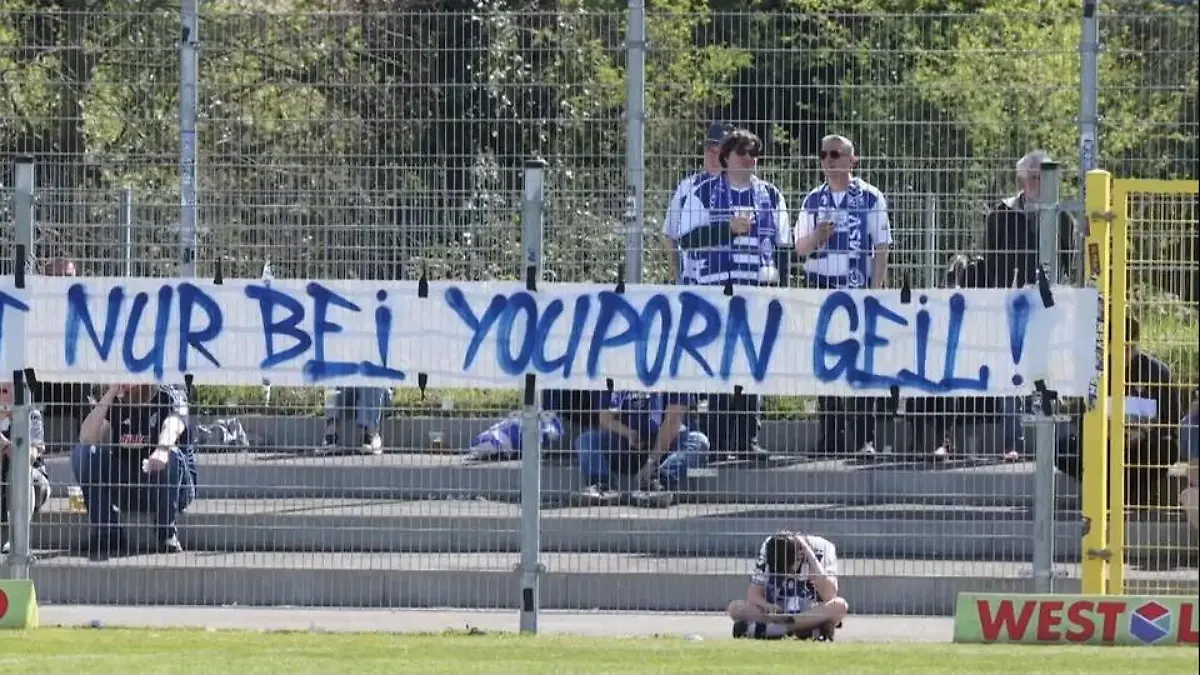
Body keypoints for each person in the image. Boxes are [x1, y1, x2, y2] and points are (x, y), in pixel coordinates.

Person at [668, 128, 790, 461]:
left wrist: (782, 293)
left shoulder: (770, 195)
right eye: (742, 153)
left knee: (752, 367)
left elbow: (783, 248)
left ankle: (747, 440)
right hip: (714, 295)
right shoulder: (703, 192)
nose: (749, 159)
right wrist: (727, 229)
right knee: (721, 368)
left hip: (756, 295)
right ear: (726, 158)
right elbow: (687, 241)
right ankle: (719, 441)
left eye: (754, 154)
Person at [794, 134, 892, 456]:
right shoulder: (812, 200)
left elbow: (881, 246)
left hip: (857, 289)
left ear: (853, 160)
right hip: (820, 290)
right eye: (823, 154)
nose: (828, 160)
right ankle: (831, 438)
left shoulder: (870, 197)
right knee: (827, 363)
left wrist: (875, 290)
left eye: (835, 154)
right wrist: (817, 236)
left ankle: (865, 438)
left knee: (862, 363)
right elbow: (799, 249)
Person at [1056, 316, 1183, 510]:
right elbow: (1081, 416)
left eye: (1128, 348)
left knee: (1166, 447)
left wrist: (1141, 432)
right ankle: (1106, 492)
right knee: (1063, 448)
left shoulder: (1158, 372)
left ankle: (1132, 493)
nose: (1123, 353)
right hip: (1104, 442)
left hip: (1143, 444)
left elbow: (1172, 421)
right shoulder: (1094, 372)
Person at [70, 384, 198, 560]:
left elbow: (174, 424)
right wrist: (111, 393)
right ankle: (108, 533)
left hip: (172, 487)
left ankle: (166, 532)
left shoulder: (169, 393)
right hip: (129, 484)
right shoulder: (117, 399)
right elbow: (86, 438)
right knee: (84, 453)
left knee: (172, 453)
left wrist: (162, 448)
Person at [572, 390, 710, 508]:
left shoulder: (672, 371)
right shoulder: (614, 369)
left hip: (664, 449)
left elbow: (673, 419)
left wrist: (652, 460)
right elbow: (604, 419)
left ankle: (657, 485)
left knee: (699, 441)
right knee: (586, 440)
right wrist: (629, 434)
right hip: (624, 446)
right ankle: (602, 486)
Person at [727, 530, 849, 641]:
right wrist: (768, 606)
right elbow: (754, 594)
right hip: (778, 611)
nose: (785, 576)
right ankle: (808, 630)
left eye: (786, 570)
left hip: (809, 612)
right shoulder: (769, 546)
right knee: (735, 608)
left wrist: (809, 554)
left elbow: (830, 594)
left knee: (840, 606)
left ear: (799, 556)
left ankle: (769, 630)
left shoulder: (825, 547)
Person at [662, 121, 732, 283]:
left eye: (720, 152)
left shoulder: (743, 188)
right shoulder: (686, 187)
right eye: (710, 151)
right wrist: (675, 270)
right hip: (693, 281)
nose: (714, 157)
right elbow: (669, 234)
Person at [1, 380, 51, 556]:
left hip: (33, 484)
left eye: (6, 388)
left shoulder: (32, 414)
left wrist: (5, 444)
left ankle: (17, 540)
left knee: (19, 470)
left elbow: (29, 456)